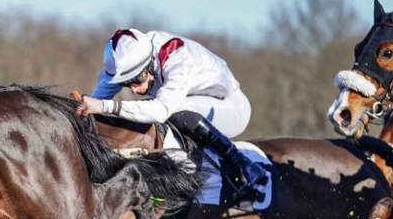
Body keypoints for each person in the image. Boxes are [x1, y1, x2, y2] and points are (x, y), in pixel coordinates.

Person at [76, 28, 267, 202]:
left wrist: (104, 106)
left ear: (150, 63)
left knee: (169, 111)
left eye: (136, 80)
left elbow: (160, 111)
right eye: (126, 84)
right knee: (137, 112)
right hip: (195, 103)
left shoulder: (177, 58)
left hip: (231, 107)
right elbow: (93, 103)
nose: (133, 89)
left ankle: (243, 165)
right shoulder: (126, 62)